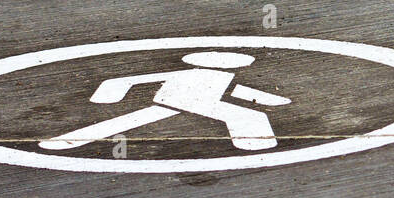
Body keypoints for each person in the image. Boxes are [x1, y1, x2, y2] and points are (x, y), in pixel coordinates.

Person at [39, 52, 289, 152]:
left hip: (181, 102)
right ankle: (252, 145)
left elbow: (235, 90)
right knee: (251, 117)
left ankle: (65, 142)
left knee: (131, 120)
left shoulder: (222, 76)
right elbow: (139, 79)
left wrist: (271, 99)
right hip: (185, 101)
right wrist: (114, 89)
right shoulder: (191, 73)